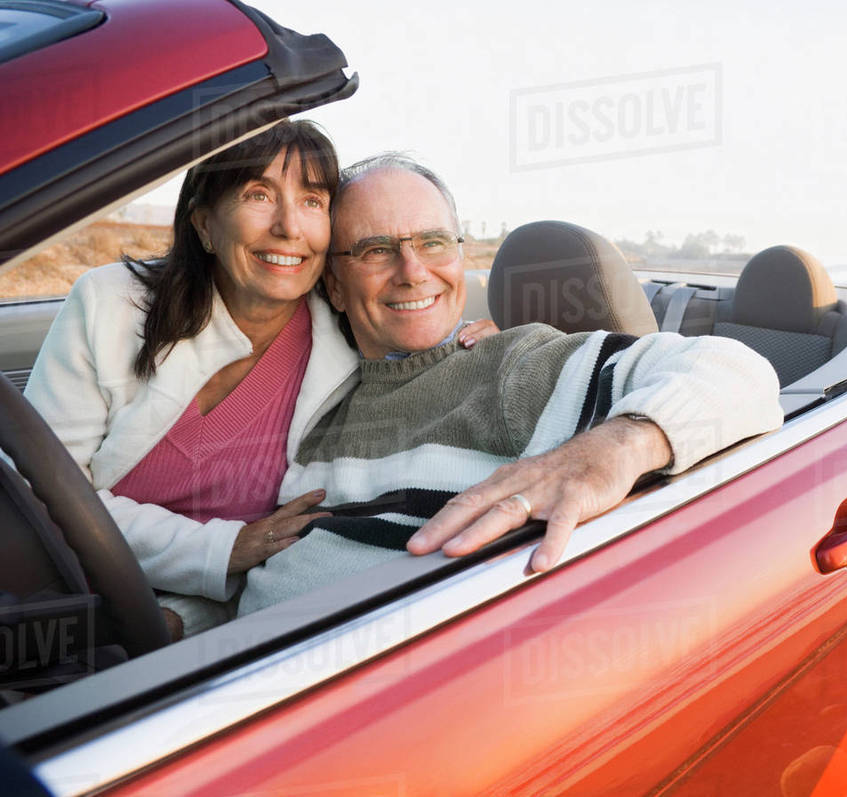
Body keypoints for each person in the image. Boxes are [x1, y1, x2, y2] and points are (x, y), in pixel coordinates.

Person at [237, 154, 784, 614]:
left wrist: (613, 448)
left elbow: (739, 373)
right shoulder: (316, 403)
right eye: (377, 250)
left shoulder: (512, 365)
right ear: (333, 284)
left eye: (432, 243)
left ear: (458, 254)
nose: (412, 270)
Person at [23, 123, 496, 637]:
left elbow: (420, 319)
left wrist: (474, 339)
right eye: (258, 194)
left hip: (205, 625)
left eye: (312, 201)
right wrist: (224, 549)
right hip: (51, 584)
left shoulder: (350, 331)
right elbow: (41, 496)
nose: (289, 227)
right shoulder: (110, 305)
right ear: (204, 224)